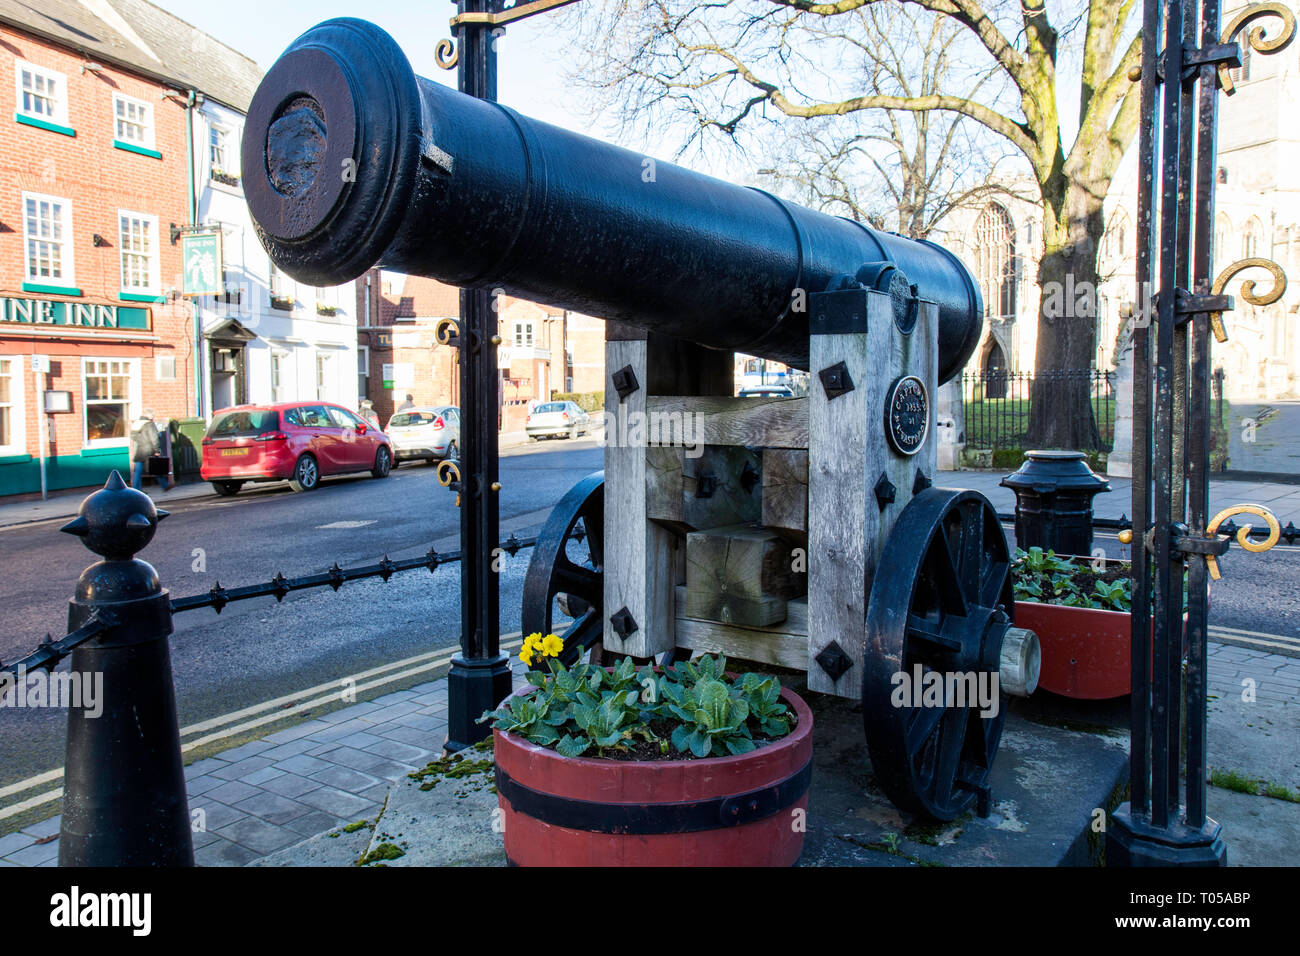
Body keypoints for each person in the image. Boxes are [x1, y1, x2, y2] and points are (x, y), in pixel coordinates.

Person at [129, 409, 171, 491]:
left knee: (138, 471)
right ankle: (165, 485)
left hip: (140, 449)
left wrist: (142, 441)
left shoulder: (137, 423)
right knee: (155, 467)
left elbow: (133, 436)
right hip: (150, 449)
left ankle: (136, 489)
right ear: (150, 416)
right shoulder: (149, 424)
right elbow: (154, 438)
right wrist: (157, 450)